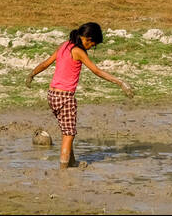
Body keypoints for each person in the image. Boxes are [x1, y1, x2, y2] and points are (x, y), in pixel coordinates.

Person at [25, 22, 133, 167]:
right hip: (65, 98)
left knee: (67, 130)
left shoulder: (64, 45)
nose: (92, 47)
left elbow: (45, 63)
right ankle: (63, 170)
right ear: (88, 38)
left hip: (52, 95)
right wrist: (120, 82)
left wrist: (32, 74)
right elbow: (97, 71)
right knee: (68, 135)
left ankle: (72, 162)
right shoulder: (78, 51)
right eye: (93, 44)